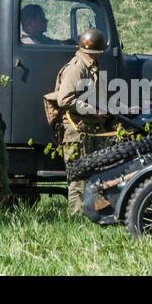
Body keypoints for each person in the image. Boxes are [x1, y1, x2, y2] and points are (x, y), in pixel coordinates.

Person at [45, 28, 113, 218]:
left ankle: (90, 215)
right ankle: (76, 218)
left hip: (88, 130)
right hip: (78, 132)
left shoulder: (90, 65)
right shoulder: (77, 67)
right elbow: (64, 99)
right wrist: (93, 110)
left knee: (90, 175)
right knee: (78, 177)